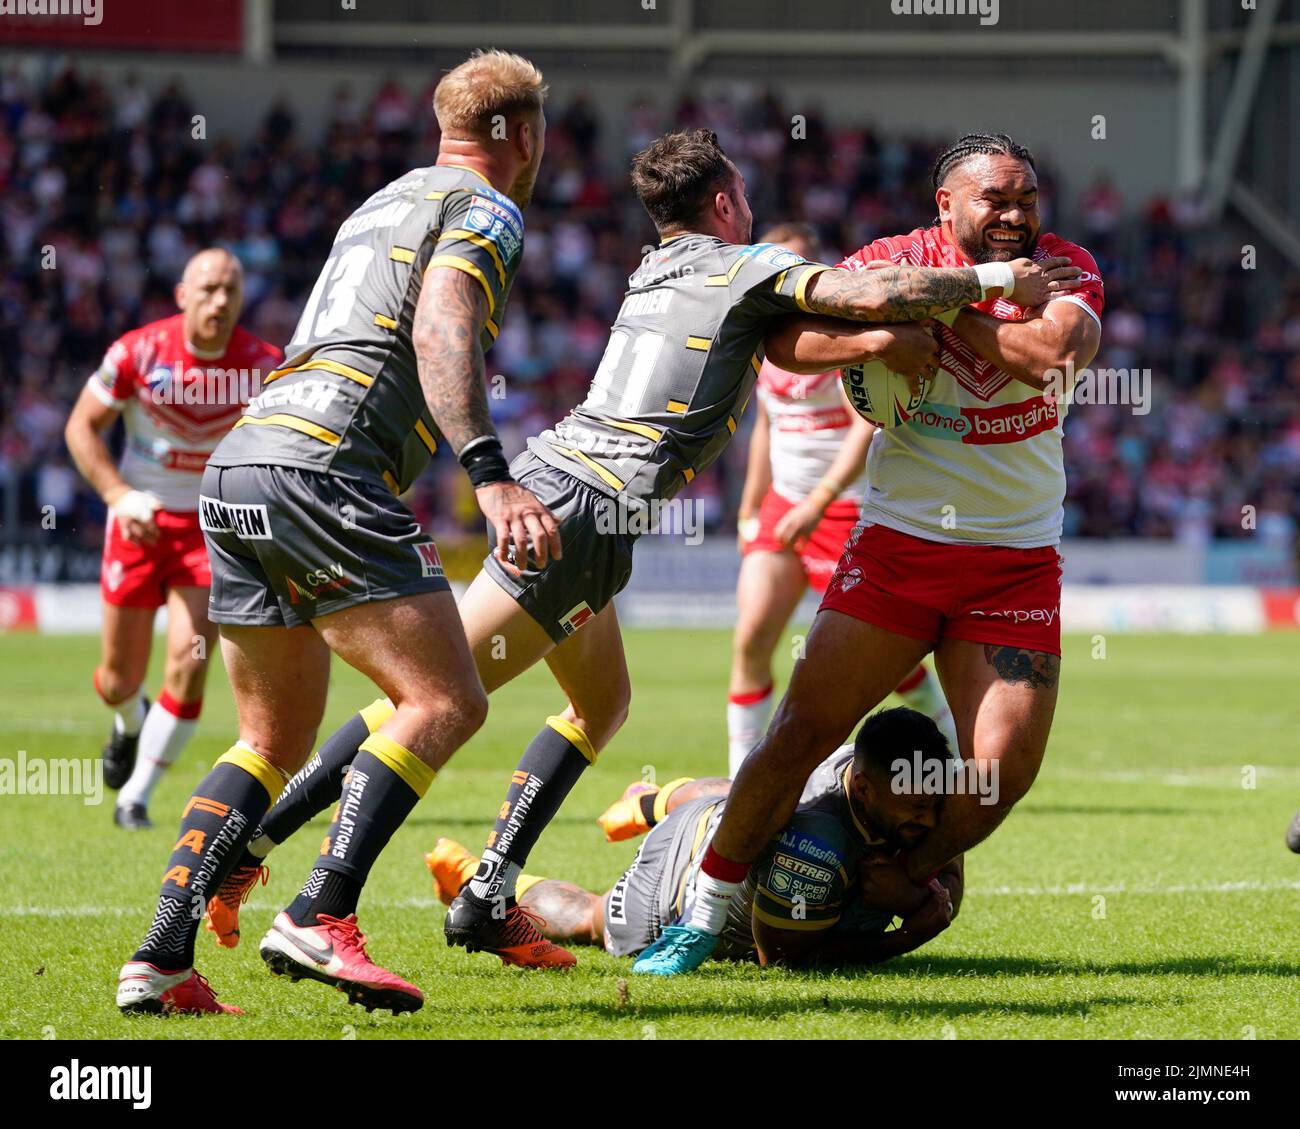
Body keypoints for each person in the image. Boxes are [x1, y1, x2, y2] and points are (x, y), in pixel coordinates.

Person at [201, 127, 1070, 975]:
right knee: (432, 698)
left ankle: (487, 892)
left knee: (600, 705)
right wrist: (993, 284)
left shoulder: (655, 266)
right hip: (581, 507)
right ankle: (289, 876)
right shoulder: (744, 265)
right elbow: (856, 307)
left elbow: (819, 330)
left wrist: (888, 336)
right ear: (728, 201)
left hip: (588, 508)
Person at [115, 49, 555, 1016]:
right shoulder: (486, 207)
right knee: (446, 700)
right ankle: (322, 911)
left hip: (242, 460)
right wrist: (488, 470)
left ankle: (160, 957)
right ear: (523, 135)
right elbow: (443, 321)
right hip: (327, 461)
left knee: (269, 737)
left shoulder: (382, 200)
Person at [632, 131, 1104, 975]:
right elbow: (782, 342)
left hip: (1016, 560)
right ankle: (704, 911)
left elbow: (1053, 354)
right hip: (899, 548)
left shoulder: (1064, 266)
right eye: (994, 199)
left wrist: (927, 304)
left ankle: (889, 875)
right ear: (946, 205)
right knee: (801, 730)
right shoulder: (890, 258)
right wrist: (878, 340)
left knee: (1001, 773)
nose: (1015, 215)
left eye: (1025, 198)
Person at [428, 707, 963, 968]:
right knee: (593, 919)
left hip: (724, 810)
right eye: (916, 806)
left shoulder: (895, 777)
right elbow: (778, 953)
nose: (931, 818)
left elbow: (952, 843)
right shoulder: (814, 847)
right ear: (864, 790)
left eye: (935, 801)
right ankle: (478, 879)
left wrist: (924, 892)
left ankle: (649, 800)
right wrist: (907, 933)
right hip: (675, 890)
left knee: (741, 792)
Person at [64, 248, 281, 830]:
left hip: (211, 531)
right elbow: (80, 426)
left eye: (231, 291)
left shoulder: (265, 364)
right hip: (138, 522)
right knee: (117, 680)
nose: (220, 301)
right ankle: (128, 722)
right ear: (182, 294)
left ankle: (135, 795)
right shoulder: (136, 351)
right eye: (208, 289)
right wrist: (118, 496)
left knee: (189, 664)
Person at [730, 223, 955, 773]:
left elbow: (866, 428)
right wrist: (749, 505)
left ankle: (945, 728)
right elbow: (766, 427)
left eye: (800, 266)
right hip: (784, 505)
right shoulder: (768, 338)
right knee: (753, 637)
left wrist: (819, 502)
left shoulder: (846, 335)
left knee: (872, 659)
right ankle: (739, 777)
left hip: (845, 507)